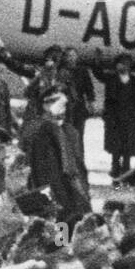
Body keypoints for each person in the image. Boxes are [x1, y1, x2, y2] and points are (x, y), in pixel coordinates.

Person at [27, 90, 90, 225]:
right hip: (50, 194)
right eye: (59, 104)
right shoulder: (37, 131)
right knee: (57, 236)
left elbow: (77, 165)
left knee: (71, 231)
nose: (64, 108)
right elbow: (34, 170)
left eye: (65, 105)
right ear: (45, 106)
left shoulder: (69, 131)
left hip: (72, 193)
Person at [91, 51, 135, 177]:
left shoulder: (134, 80)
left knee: (127, 144)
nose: (123, 66)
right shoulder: (111, 78)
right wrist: (97, 62)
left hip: (128, 117)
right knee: (115, 144)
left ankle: (126, 167)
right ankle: (115, 167)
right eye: (121, 64)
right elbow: (98, 74)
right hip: (114, 117)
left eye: (126, 64)